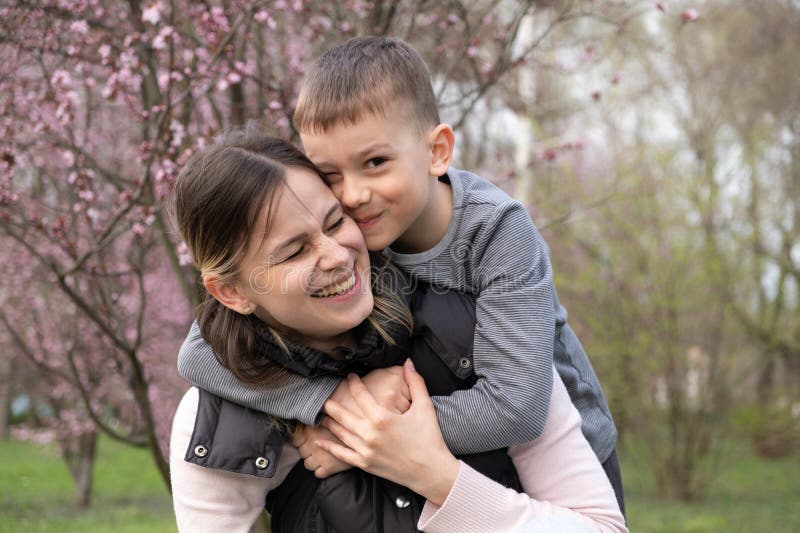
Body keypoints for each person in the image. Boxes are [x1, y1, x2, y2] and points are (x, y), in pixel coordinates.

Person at [176, 36, 625, 513]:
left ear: (437, 152)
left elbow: (517, 409)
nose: (352, 195)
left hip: (564, 455)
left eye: (375, 163)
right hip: (447, 463)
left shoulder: (496, 234)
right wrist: (332, 401)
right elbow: (199, 356)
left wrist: (363, 432)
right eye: (329, 174)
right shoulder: (358, 233)